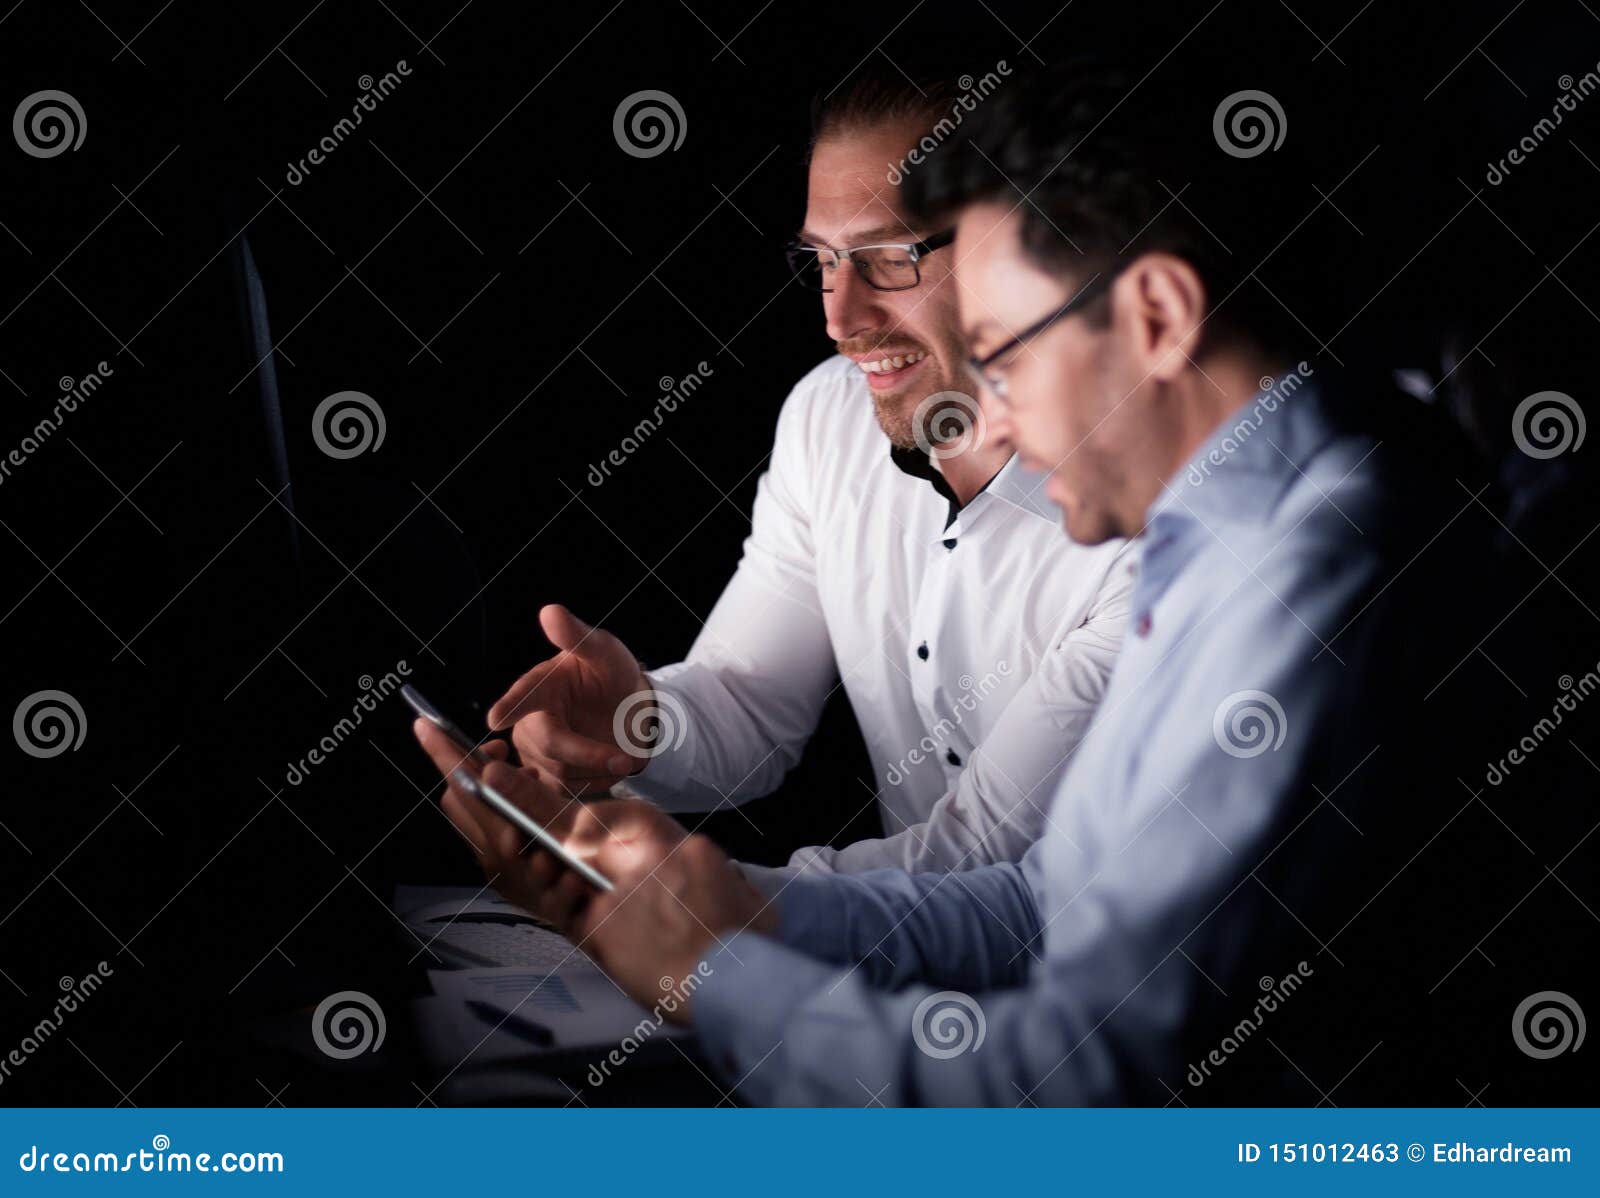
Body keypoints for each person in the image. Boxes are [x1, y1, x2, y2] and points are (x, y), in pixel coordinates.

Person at [414, 61, 1498, 1104]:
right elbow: (1044, 905)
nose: (995, 423)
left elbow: (1078, 1091)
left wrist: (714, 958)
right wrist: (706, 896)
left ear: (1158, 318)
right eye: (821, 263)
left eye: (1005, 354)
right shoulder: (1221, 525)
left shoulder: (1296, 579)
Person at [485, 60, 1132, 878]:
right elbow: (750, 704)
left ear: (1029, 241)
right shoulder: (828, 415)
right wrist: (636, 721)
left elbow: (989, 869)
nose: (839, 318)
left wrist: (670, 903)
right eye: (822, 259)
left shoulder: (1144, 497)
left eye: (889, 257)